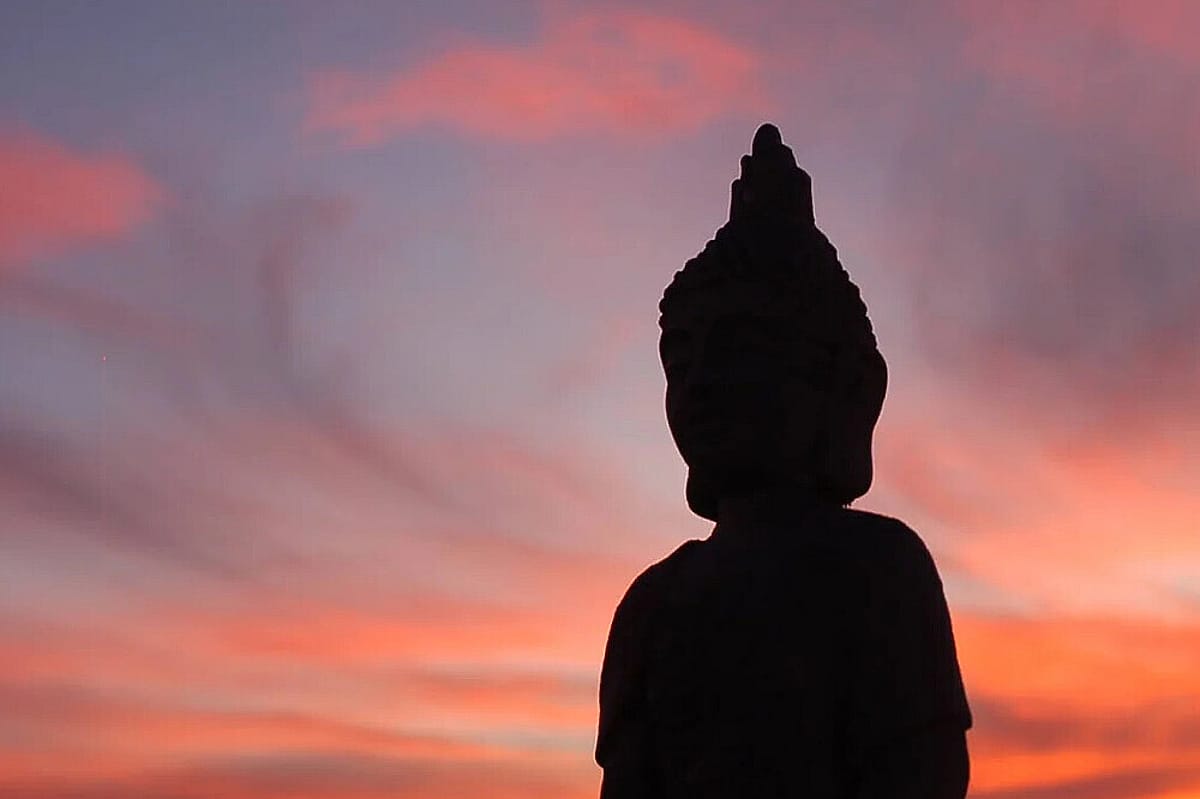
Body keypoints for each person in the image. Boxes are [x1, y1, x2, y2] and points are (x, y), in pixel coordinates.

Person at [595, 124, 972, 798]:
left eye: (737, 349)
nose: (700, 384)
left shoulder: (879, 570)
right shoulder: (654, 604)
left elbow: (922, 777)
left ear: (847, 384)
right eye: (681, 360)